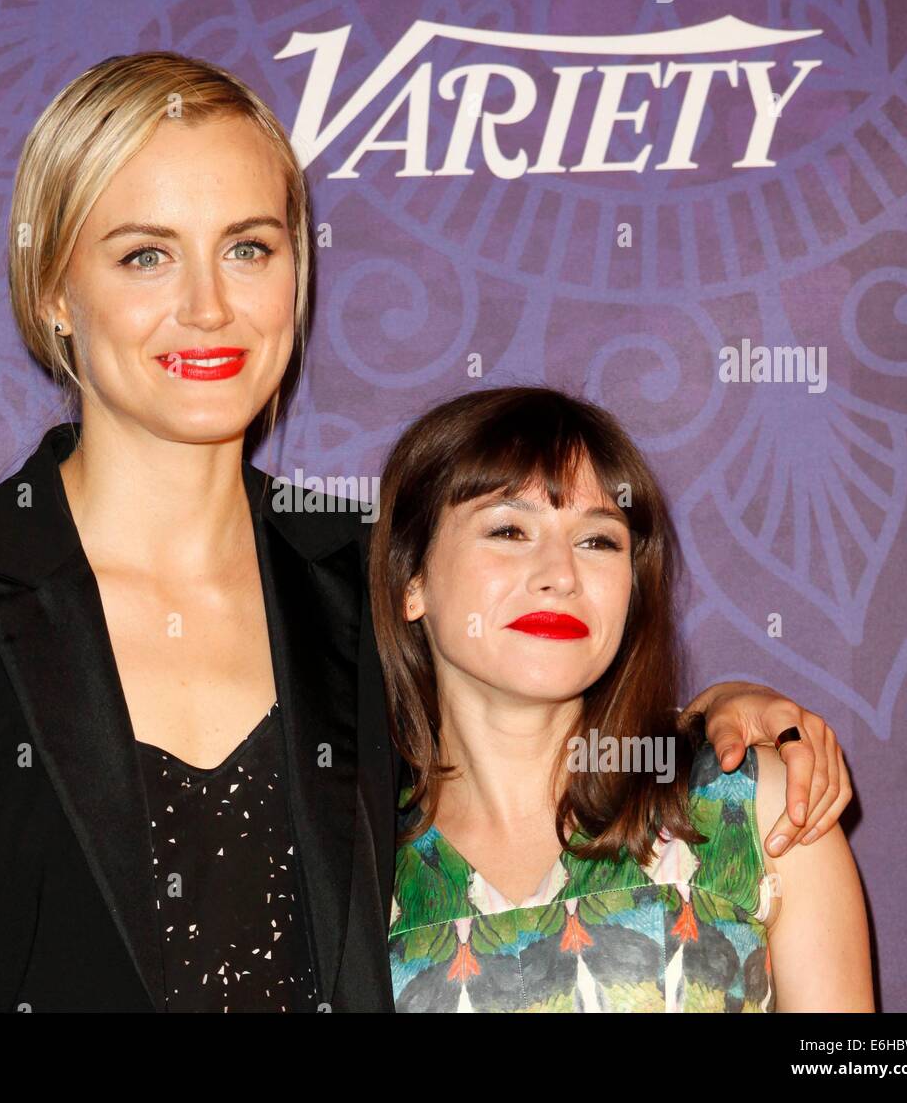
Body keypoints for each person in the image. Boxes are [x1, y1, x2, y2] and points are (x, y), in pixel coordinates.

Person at [0, 51, 851, 1014]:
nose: (209, 307)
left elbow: (545, 719)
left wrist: (727, 714)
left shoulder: (364, 566)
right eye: (145, 256)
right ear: (55, 290)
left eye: (247, 248)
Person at [374, 387, 872, 1011]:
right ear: (411, 581)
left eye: (598, 541)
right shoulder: (350, 866)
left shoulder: (756, 807)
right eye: (509, 529)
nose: (561, 572)